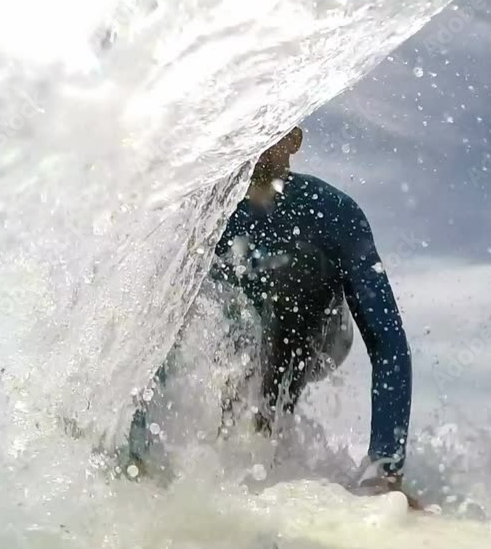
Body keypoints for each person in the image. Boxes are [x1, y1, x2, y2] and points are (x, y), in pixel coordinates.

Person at [127, 127, 418, 508]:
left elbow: (387, 342)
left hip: (322, 330)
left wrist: (386, 468)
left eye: (274, 127)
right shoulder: (209, 211)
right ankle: (223, 456)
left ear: (294, 140)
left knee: (292, 290)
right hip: (245, 323)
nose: (260, 136)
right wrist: (135, 451)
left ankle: (269, 430)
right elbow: (164, 334)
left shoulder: (333, 211)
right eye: (251, 125)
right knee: (211, 321)